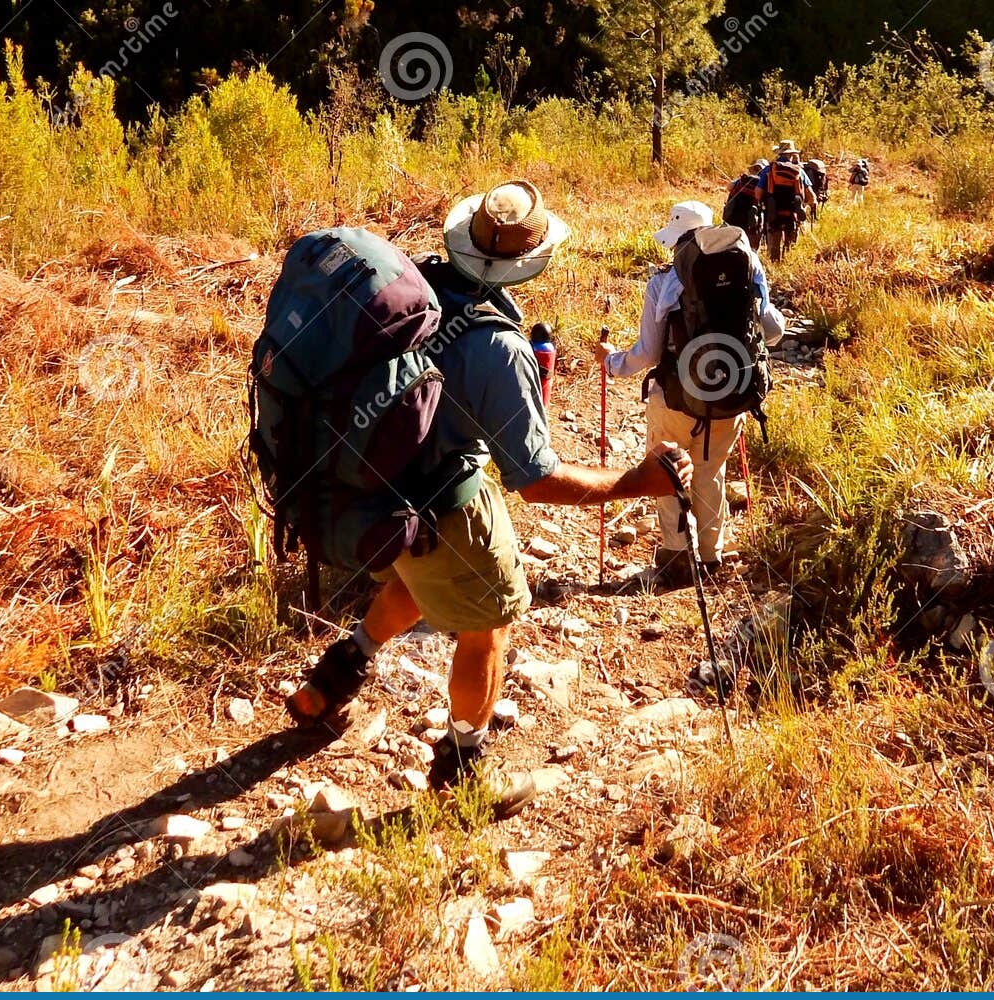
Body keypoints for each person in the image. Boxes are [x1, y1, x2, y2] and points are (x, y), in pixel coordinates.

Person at [285, 180, 694, 816]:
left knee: (417, 582)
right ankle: (463, 773)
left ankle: (334, 677)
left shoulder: (419, 285)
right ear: (532, 262)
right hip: (446, 499)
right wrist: (638, 482)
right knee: (487, 627)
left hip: (374, 492)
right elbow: (535, 482)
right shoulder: (499, 349)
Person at [598, 201, 785, 589]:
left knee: (667, 472)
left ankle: (677, 558)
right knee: (710, 470)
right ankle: (712, 554)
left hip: (675, 397)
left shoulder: (664, 280)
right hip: (731, 393)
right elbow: (773, 332)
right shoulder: (747, 267)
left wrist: (611, 363)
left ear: (676, 238)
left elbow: (647, 354)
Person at [758, 139, 817, 260]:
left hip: (773, 212)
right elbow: (810, 195)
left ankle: (774, 265)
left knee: (774, 243)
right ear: (792, 154)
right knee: (790, 244)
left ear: (779, 153)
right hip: (792, 213)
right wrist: (809, 205)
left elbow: (758, 193)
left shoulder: (768, 169)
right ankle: (787, 262)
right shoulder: (798, 170)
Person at [722, 158, 768, 249]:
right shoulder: (764, 182)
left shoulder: (742, 180)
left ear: (753, 169)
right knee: (751, 246)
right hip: (751, 221)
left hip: (734, 216)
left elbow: (729, 187)